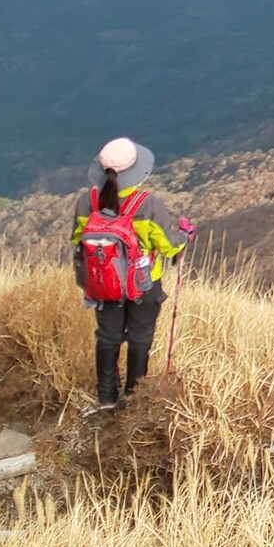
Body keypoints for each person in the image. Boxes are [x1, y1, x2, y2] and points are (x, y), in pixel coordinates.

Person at [71, 137, 190, 409]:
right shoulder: (147, 205)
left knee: (108, 337)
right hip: (143, 284)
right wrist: (184, 236)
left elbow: (78, 241)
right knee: (140, 337)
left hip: (103, 284)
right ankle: (134, 398)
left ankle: (106, 399)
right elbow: (168, 247)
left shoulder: (87, 202)